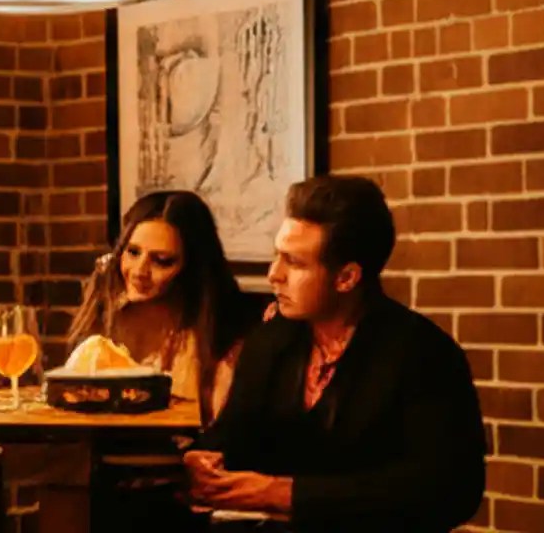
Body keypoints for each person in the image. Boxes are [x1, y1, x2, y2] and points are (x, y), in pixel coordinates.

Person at [186, 175, 486, 532]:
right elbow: (233, 436)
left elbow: (448, 490)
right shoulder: (272, 340)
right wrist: (201, 458)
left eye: (294, 263)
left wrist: (284, 493)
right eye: (276, 256)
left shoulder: (422, 353)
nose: (273, 275)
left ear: (346, 277)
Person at [68, 190, 264, 425]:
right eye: (133, 252)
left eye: (161, 260)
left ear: (192, 267)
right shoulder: (108, 310)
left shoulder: (221, 330)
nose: (140, 271)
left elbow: (221, 429)